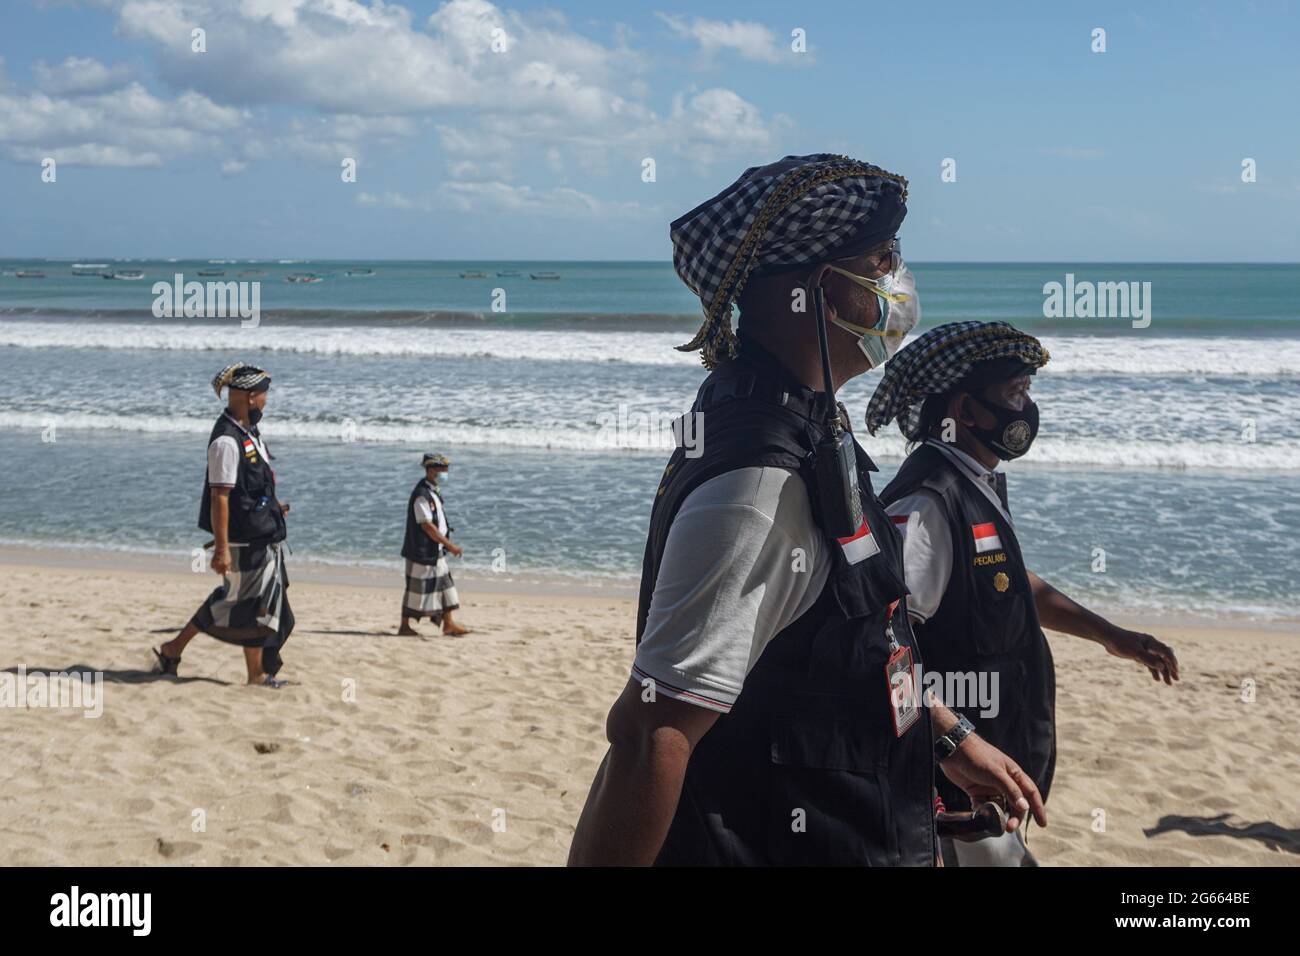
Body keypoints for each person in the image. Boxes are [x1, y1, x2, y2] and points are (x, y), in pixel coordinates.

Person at [568, 155, 1046, 867]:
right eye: (882, 261)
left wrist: (947, 737)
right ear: (824, 291)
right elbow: (649, 734)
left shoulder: (815, 425)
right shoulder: (760, 483)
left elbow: (866, 633)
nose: (899, 283)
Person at [868, 320, 1181, 865]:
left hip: (991, 777)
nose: (1027, 409)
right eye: (1016, 394)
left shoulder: (975, 483)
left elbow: (1008, 584)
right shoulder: (925, 507)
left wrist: (1111, 636)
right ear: (966, 411)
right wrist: (952, 743)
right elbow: (879, 642)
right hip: (955, 789)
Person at [154, 363, 294, 687]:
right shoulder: (226, 442)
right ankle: (255, 674)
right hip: (243, 541)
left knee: (247, 604)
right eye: (263, 396)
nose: (266, 402)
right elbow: (220, 497)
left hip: (260, 534)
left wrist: (273, 508)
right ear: (248, 396)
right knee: (247, 606)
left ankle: (173, 649)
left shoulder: (248, 433)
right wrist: (221, 550)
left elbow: (251, 486)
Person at [399, 453, 469, 637]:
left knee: (446, 587)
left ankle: (448, 624)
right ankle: (404, 626)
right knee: (415, 590)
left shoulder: (433, 490)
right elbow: (427, 526)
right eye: (442, 469)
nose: (445, 473)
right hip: (421, 551)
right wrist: (450, 545)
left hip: (436, 551)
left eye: (446, 469)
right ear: (430, 471)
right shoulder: (421, 495)